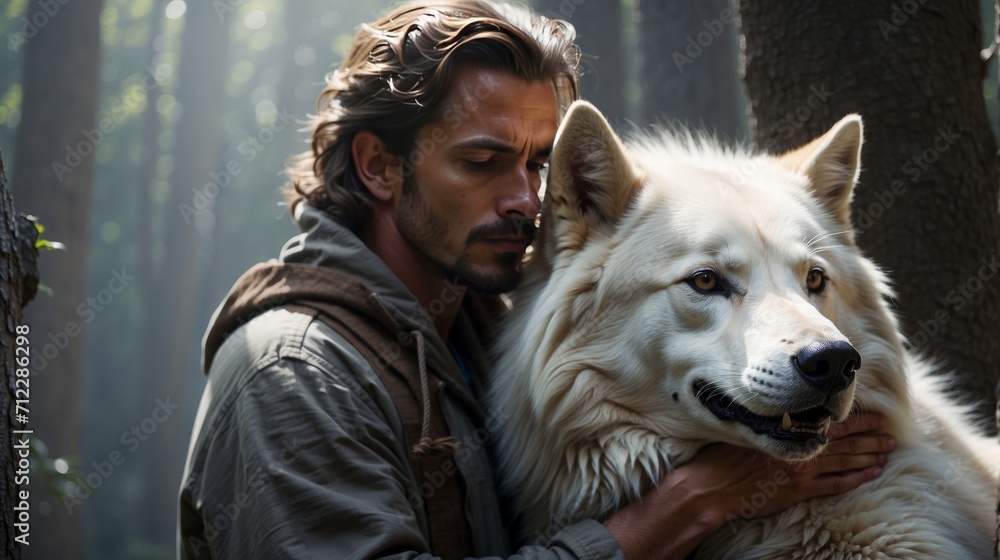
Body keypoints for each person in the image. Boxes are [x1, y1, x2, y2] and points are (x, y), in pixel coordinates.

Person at [177, 1, 895, 559]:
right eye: (482, 162)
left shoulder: (486, 323)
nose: (527, 200)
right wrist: (681, 510)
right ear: (379, 166)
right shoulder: (293, 371)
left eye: (536, 164)